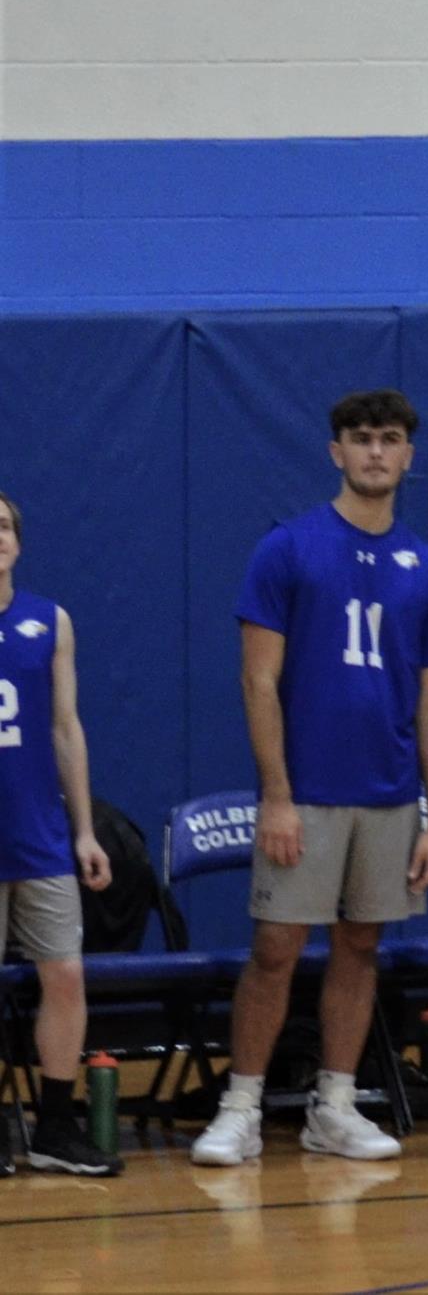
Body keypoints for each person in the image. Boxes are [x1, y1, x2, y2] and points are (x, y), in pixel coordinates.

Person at [191, 390, 428, 1166]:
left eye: (390, 439)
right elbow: (257, 682)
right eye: (360, 438)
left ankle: (335, 1102)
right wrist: (276, 794)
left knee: (360, 945)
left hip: (387, 793)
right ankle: (240, 1104)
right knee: (276, 945)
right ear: (334, 451)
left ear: (409, 455)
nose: (376, 451)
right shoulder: (288, 548)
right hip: (304, 794)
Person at [0, 490, 122, 1177]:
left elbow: (63, 726)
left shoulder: (50, 620)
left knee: (66, 975)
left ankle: (53, 1124)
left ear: (19, 540)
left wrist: (83, 830)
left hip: (39, 833)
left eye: (5, 525)